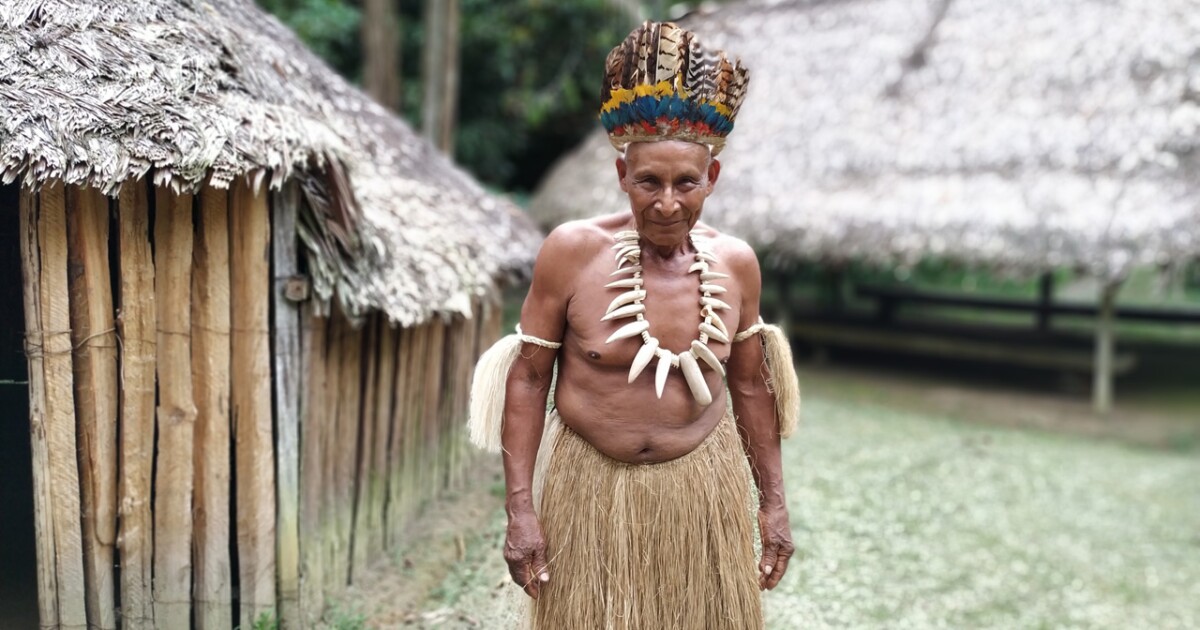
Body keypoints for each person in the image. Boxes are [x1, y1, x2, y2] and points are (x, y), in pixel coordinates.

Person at [468, 20, 800, 629]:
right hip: (588, 486)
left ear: (711, 180)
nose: (667, 203)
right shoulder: (571, 252)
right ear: (623, 176)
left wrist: (773, 503)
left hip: (702, 486)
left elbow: (752, 386)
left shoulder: (736, 264)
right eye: (648, 182)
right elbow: (529, 378)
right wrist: (520, 511)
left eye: (686, 183)